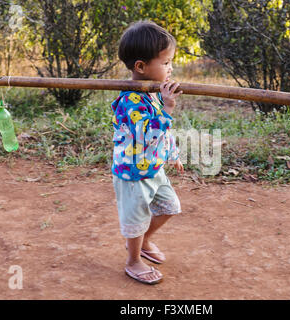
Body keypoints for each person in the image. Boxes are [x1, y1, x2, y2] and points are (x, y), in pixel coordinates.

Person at [111, 21, 184, 284]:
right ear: (140, 67)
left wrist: (172, 154)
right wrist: (167, 109)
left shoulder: (152, 93)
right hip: (133, 174)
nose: (171, 68)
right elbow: (144, 137)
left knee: (170, 207)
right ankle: (133, 260)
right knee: (136, 219)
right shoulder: (129, 100)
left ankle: (145, 241)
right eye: (165, 62)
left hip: (154, 167)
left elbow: (163, 133)